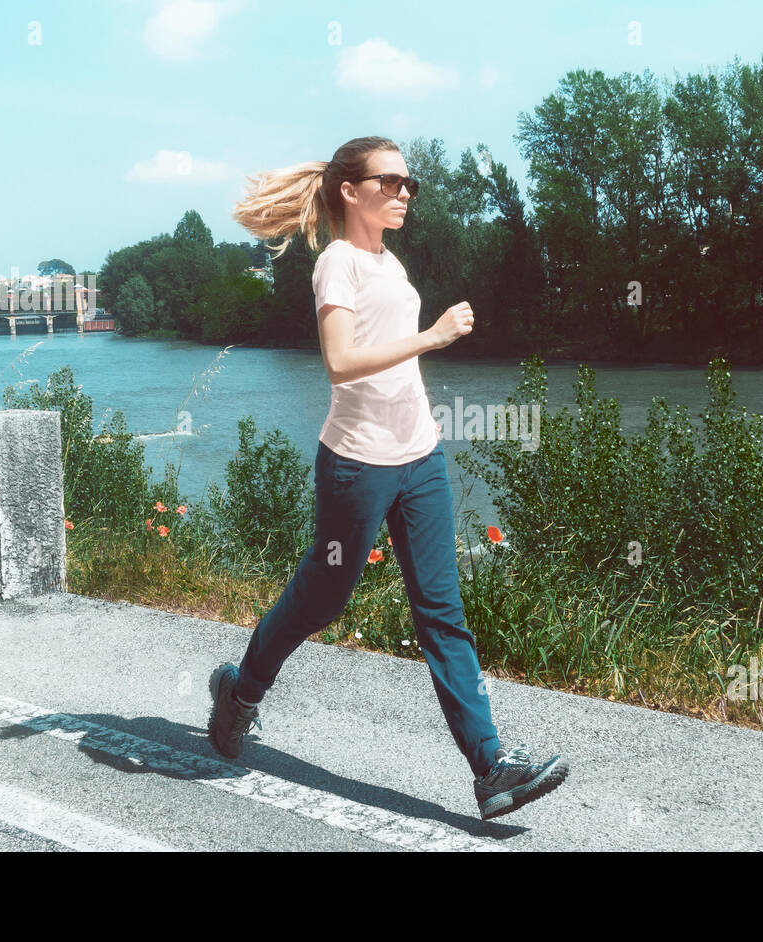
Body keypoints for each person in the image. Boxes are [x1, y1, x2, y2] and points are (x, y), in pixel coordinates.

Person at [208, 135, 568, 821]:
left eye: (410, 184)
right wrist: (433, 337)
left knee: (442, 612)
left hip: (420, 458)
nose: (405, 192)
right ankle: (241, 690)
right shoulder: (338, 264)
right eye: (392, 181)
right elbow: (341, 362)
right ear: (351, 190)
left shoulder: (389, 261)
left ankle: (490, 768)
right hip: (357, 464)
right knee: (324, 598)